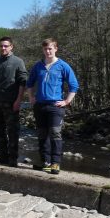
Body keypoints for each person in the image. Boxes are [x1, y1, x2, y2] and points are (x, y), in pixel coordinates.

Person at [26, 38, 80, 175]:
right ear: (42, 50)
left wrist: (67, 101)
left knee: (55, 133)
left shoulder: (63, 66)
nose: (48, 51)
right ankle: (45, 162)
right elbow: (29, 83)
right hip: (40, 106)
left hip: (55, 106)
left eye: (50, 48)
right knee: (42, 134)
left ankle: (55, 163)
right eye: (45, 49)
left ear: (56, 49)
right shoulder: (38, 66)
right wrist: (31, 97)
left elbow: (74, 85)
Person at [0, 36, 27, 167]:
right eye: (1, 46)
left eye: (6, 46)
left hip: (11, 102)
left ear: (11, 47)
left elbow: (22, 82)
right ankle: (2, 156)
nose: (3, 48)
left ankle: (13, 158)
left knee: (13, 131)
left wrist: (19, 100)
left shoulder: (18, 62)